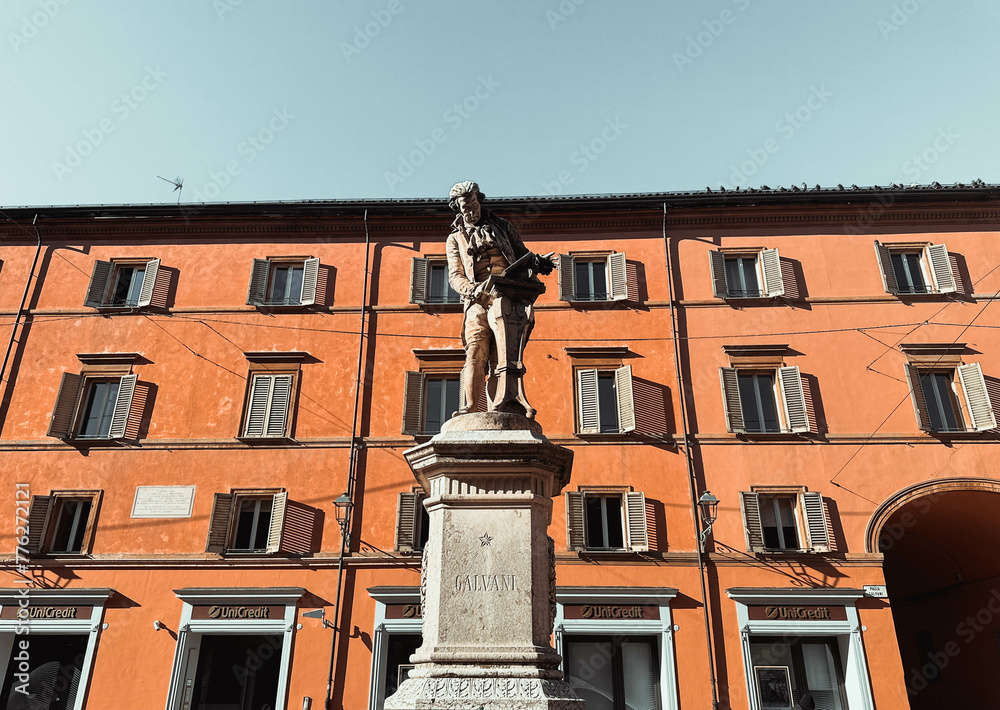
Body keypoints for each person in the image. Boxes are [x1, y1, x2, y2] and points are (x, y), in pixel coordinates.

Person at [445, 180, 555, 414]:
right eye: (465, 208)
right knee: (476, 348)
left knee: (502, 356)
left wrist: (537, 262)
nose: (471, 211)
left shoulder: (502, 227)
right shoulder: (455, 239)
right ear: (458, 208)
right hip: (477, 299)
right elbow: (455, 276)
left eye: (473, 205)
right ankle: (471, 407)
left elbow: (522, 254)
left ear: (479, 201)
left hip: (507, 295)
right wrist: (471, 290)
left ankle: (501, 407)